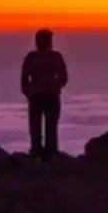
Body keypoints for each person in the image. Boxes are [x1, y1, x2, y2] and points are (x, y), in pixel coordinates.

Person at [21, 28, 69, 161]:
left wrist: (55, 86)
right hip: (40, 95)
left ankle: (47, 151)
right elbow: (24, 78)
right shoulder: (34, 57)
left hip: (46, 95)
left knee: (49, 125)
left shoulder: (53, 57)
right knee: (40, 125)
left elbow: (63, 77)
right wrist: (29, 91)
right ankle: (41, 151)